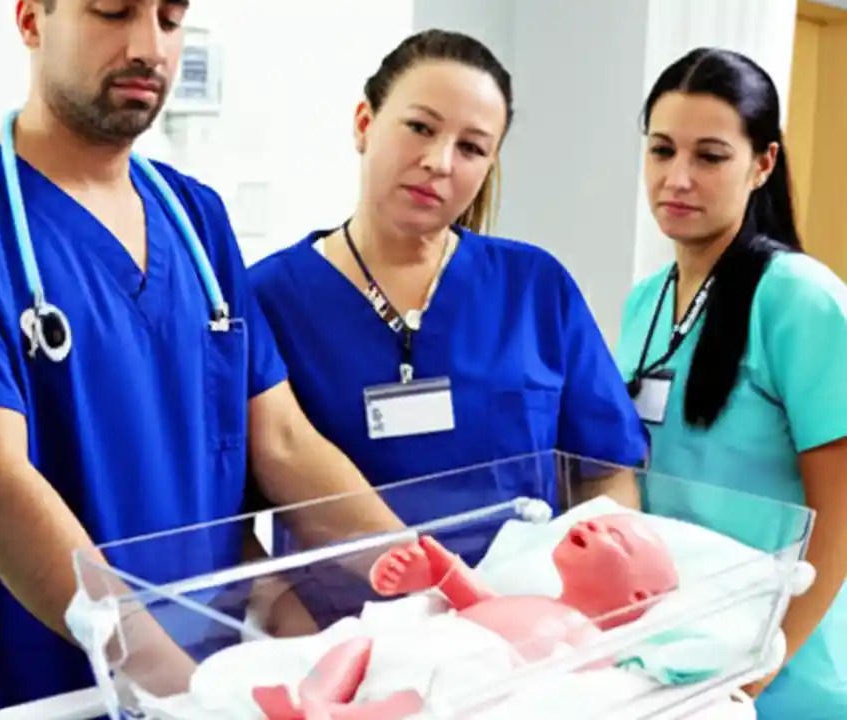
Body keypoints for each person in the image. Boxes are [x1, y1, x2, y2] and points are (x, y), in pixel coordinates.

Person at [0, 1, 403, 718]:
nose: (149, 47)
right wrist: (176, 690)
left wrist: (431, 584)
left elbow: (282, 441)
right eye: (114, 11)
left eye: (170, 19)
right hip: (50, 693)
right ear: (31, 20)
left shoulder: (195, 219)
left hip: (216, 684)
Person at [249, 29, 646, 540]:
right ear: (364, 124)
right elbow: (241, 504)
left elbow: (604, 472)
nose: (439, 162)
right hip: (353, 593)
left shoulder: (533, 288)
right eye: (419, 127)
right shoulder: (269, 299)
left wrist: (601, 569)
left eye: (471, 148)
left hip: (520, 589)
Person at [615, 47, 847, 718]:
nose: (677, 178)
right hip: (679, 651)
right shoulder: (645, 302)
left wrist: (759, 668)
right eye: (662, 150)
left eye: (710, 156)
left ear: (762, 163)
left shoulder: (800, 299)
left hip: (785, 669)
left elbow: (841, 517)